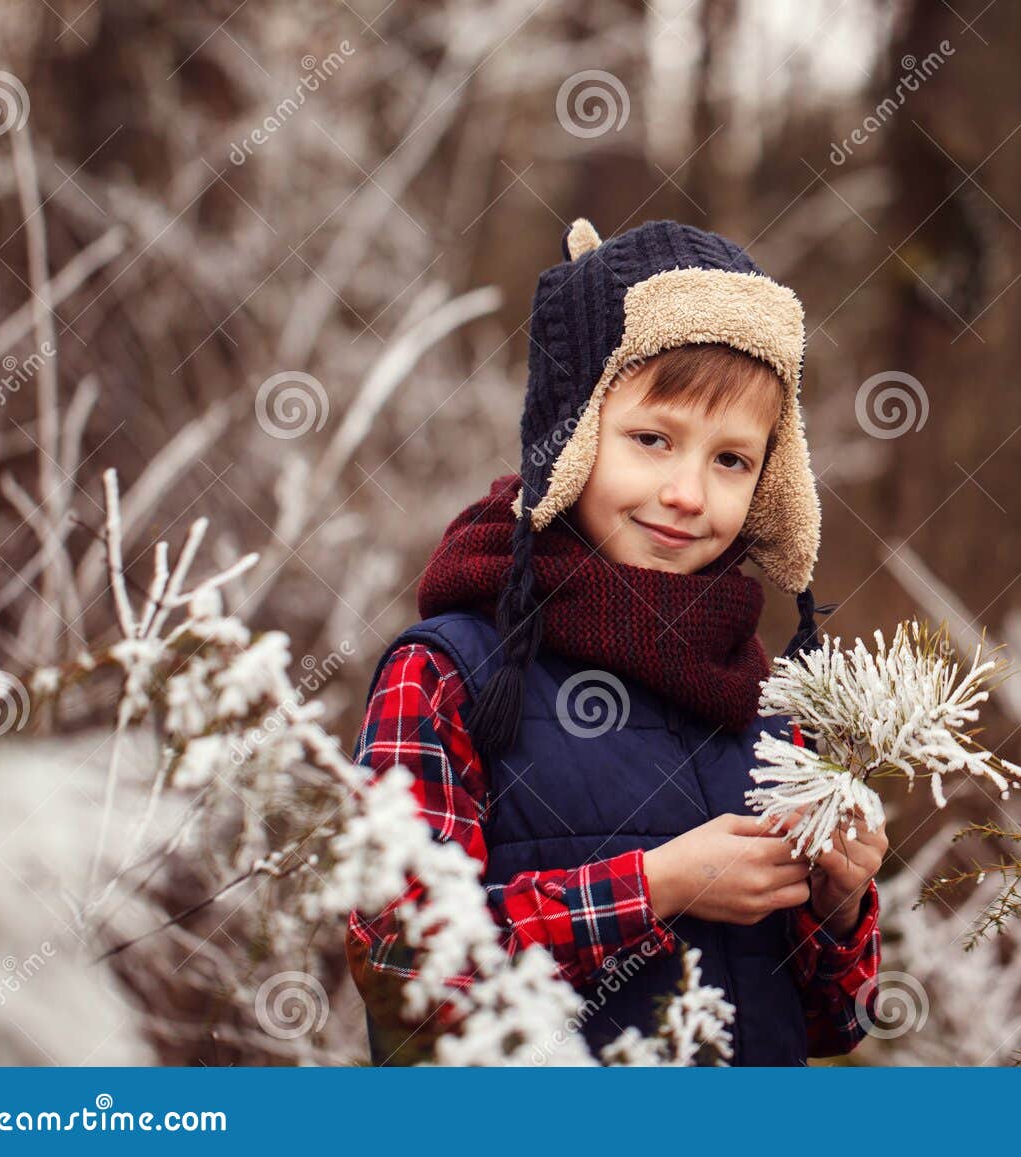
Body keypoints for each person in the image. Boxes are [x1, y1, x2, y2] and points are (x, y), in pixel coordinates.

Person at [346, 217, 886, 1066]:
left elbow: (835, 1022)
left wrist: (840, 904)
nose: (687, 492)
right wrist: (659, 885)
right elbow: (404, 964)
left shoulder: (771, 704)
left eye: (733, 460)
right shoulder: (448, 672)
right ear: (571, 434)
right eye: (652, 440)